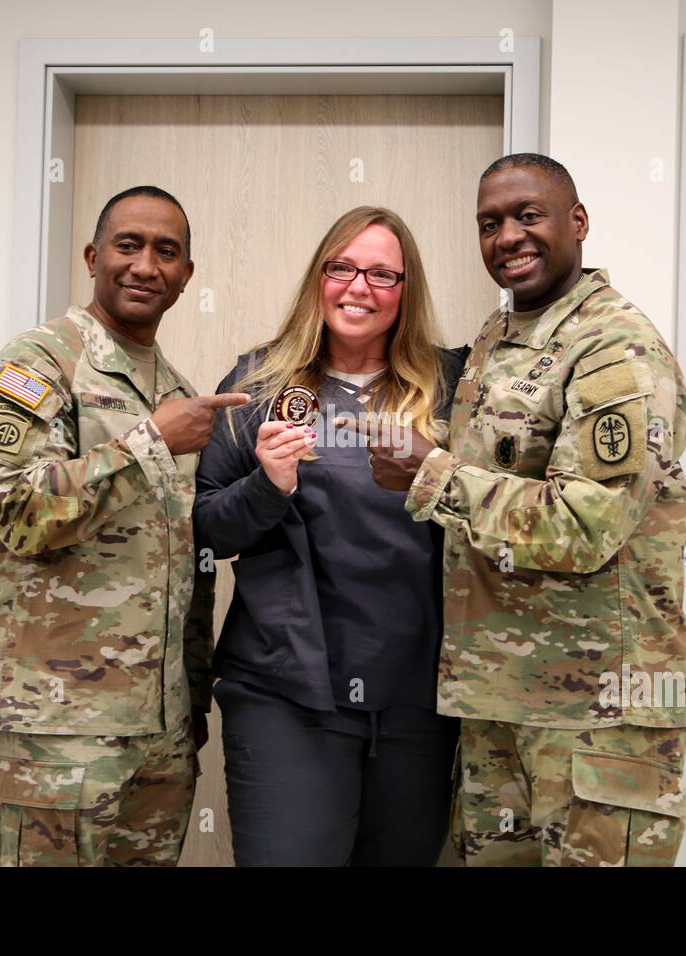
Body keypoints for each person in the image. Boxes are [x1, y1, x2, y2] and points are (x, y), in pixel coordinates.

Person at [366, 154, 686, 866]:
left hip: (597, 717)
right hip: (500, 704)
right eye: (490, 224)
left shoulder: (614, 346)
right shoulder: (499, 338)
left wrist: (430, 473)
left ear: (577, 223)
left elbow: (586, 524)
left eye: (528, 216)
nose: (508, 237)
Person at [0, 185, 249, 866]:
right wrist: (150, 441)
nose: (147, 265)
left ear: (186, 275)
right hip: (56, 727)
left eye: (166, 252)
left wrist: (192, 700)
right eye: (129, 245)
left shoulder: (176, 390)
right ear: (93, 257)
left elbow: (189, 564)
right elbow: (20, 514)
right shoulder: (36, 365)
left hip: (159, 729)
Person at [194, 206, 466, 866]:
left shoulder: (454, 387)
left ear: (407, 291)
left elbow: (491, 516)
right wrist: (269, 484)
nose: (358, 287)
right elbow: (205, 530)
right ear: (319, 279)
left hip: (417, 701)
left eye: (381, 273)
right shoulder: (258, 384)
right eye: (341, 267)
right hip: (286, 697)